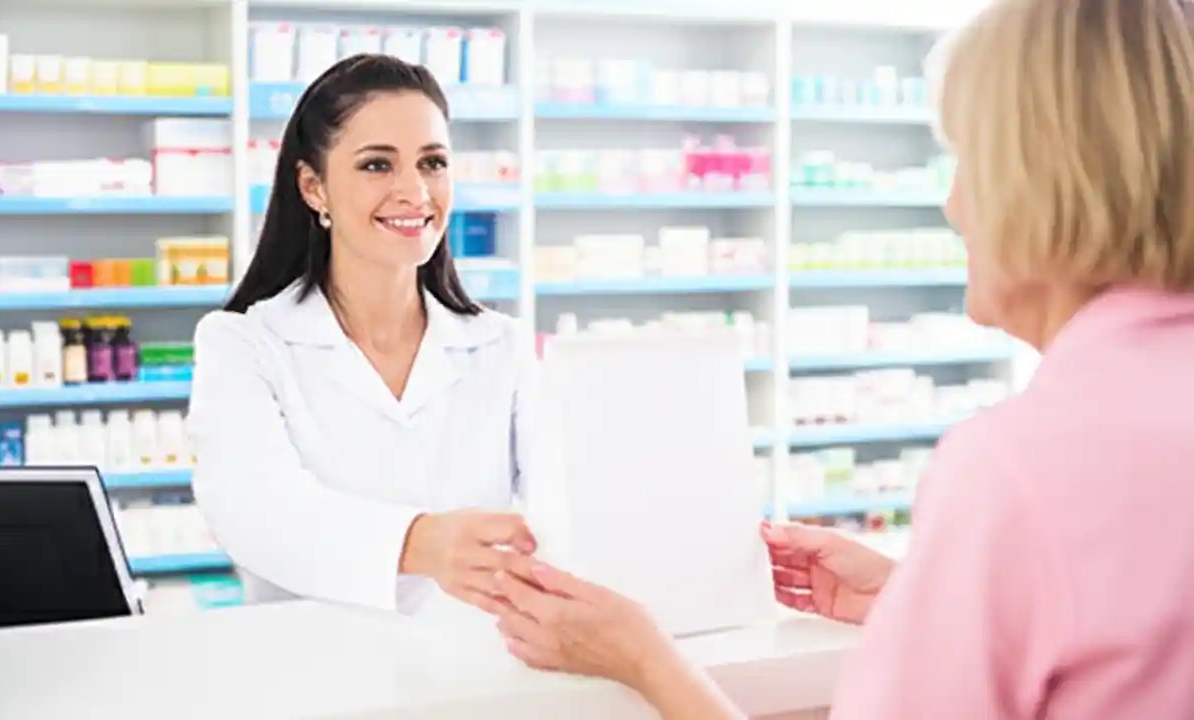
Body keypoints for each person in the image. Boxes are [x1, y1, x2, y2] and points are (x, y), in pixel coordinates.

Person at [493, 0, 1194, 716]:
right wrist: (919, 596)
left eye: (970, 162)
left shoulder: (1019, 468)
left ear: (1047, 184)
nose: (953, 205)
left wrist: (640, 657)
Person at [187, 54, 537, 615]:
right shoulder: (244, 344)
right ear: (313, 187)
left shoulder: (502, 347)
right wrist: (421, 542)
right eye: (377, 165)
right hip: (315, 663)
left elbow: (564, 514)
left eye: (432, 163)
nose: (415, 191)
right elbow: (254, 511)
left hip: (474, 660)